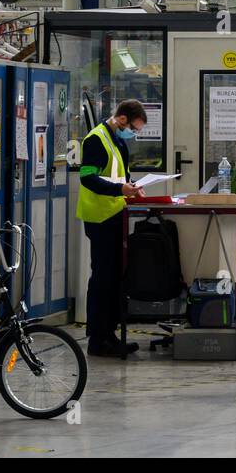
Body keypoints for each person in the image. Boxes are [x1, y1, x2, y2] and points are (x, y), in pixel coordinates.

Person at [77, 99, 147, 358]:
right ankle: (98, 339)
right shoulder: (96, 139)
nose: (134, 134)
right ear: (122, 119)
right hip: (100, 218)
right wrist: (120, 189)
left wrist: (133, 187)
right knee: (103, 279)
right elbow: (88, 177)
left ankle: (110, 334)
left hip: (116, 214)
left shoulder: (117, 140)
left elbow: (120, 176)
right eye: (134, 129)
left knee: (115, 278)